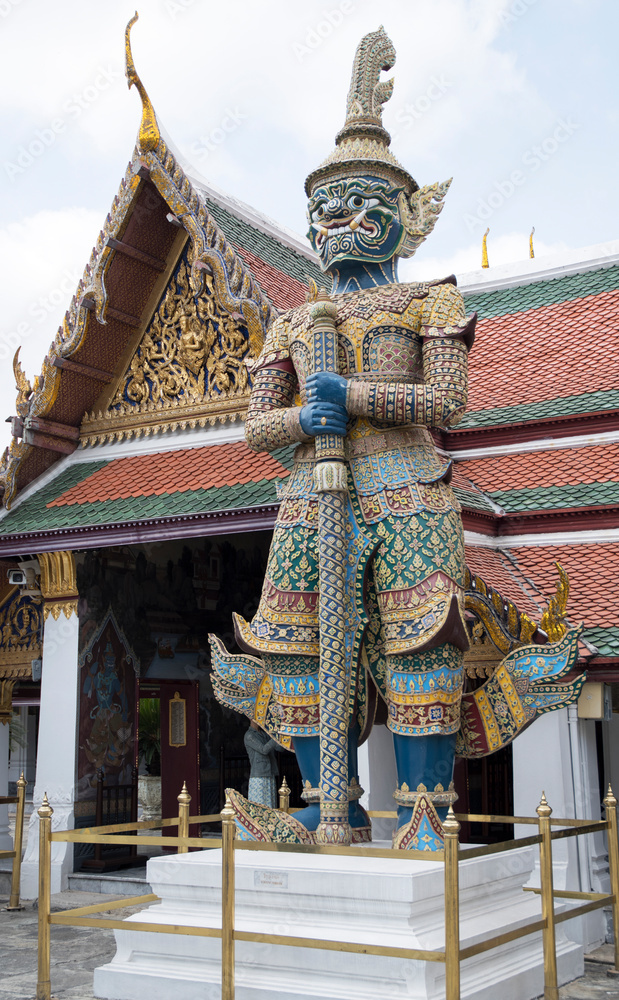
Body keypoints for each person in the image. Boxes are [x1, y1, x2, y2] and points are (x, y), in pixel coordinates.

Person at [212, 26, 474, 849]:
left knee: (417, 638)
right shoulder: (289, 322)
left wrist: (350, 393)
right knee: (296, 646)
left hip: (406, 486)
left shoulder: (427, 301)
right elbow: (257, 425)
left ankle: (427, 810)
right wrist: (302, 418)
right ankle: (332, 803)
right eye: (323, 205)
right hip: (304, 493)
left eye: (361, 202)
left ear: (410, 214)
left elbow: (450, 399)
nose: (335, 218)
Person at [244, 721, 281, 808]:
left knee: (271, 807)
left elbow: (279, 748)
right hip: (259, 777)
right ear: (251, 718)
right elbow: (264, 750)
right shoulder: (249, 735)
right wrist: (277, 737)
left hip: (270, 773)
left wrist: (282, 738)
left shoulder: (264, 734)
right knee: (260, 808)